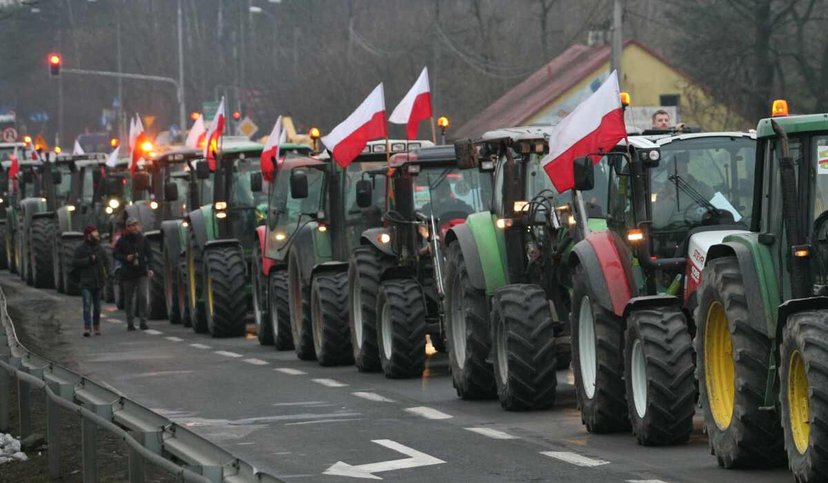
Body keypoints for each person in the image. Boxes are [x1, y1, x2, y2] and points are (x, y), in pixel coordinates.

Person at [114, 217, 153, 331]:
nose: (135, 227)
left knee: (143, 296)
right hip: (128, 273)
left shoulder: (143, 239)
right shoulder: (122, 241)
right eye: (132, 225)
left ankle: (143, 321)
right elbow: (115, 254)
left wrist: (150, 268)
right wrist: (126, 257)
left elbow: (149, 254)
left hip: (141, 271)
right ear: (127, 227)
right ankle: (130, 322)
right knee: (129, 298)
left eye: (136, 224)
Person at [72, 225, 109, 337]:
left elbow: (106, 262)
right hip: (86, 282)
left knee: (97, 307)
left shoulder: (100, 249)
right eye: (94, 233)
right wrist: (88, 260)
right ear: (88, 235)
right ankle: (87, 327)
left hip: (98, 282)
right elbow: (75, 262)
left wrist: (107, 274)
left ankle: (96, 326)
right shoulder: (81, 249)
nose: (97, 235)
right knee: (87, 306)